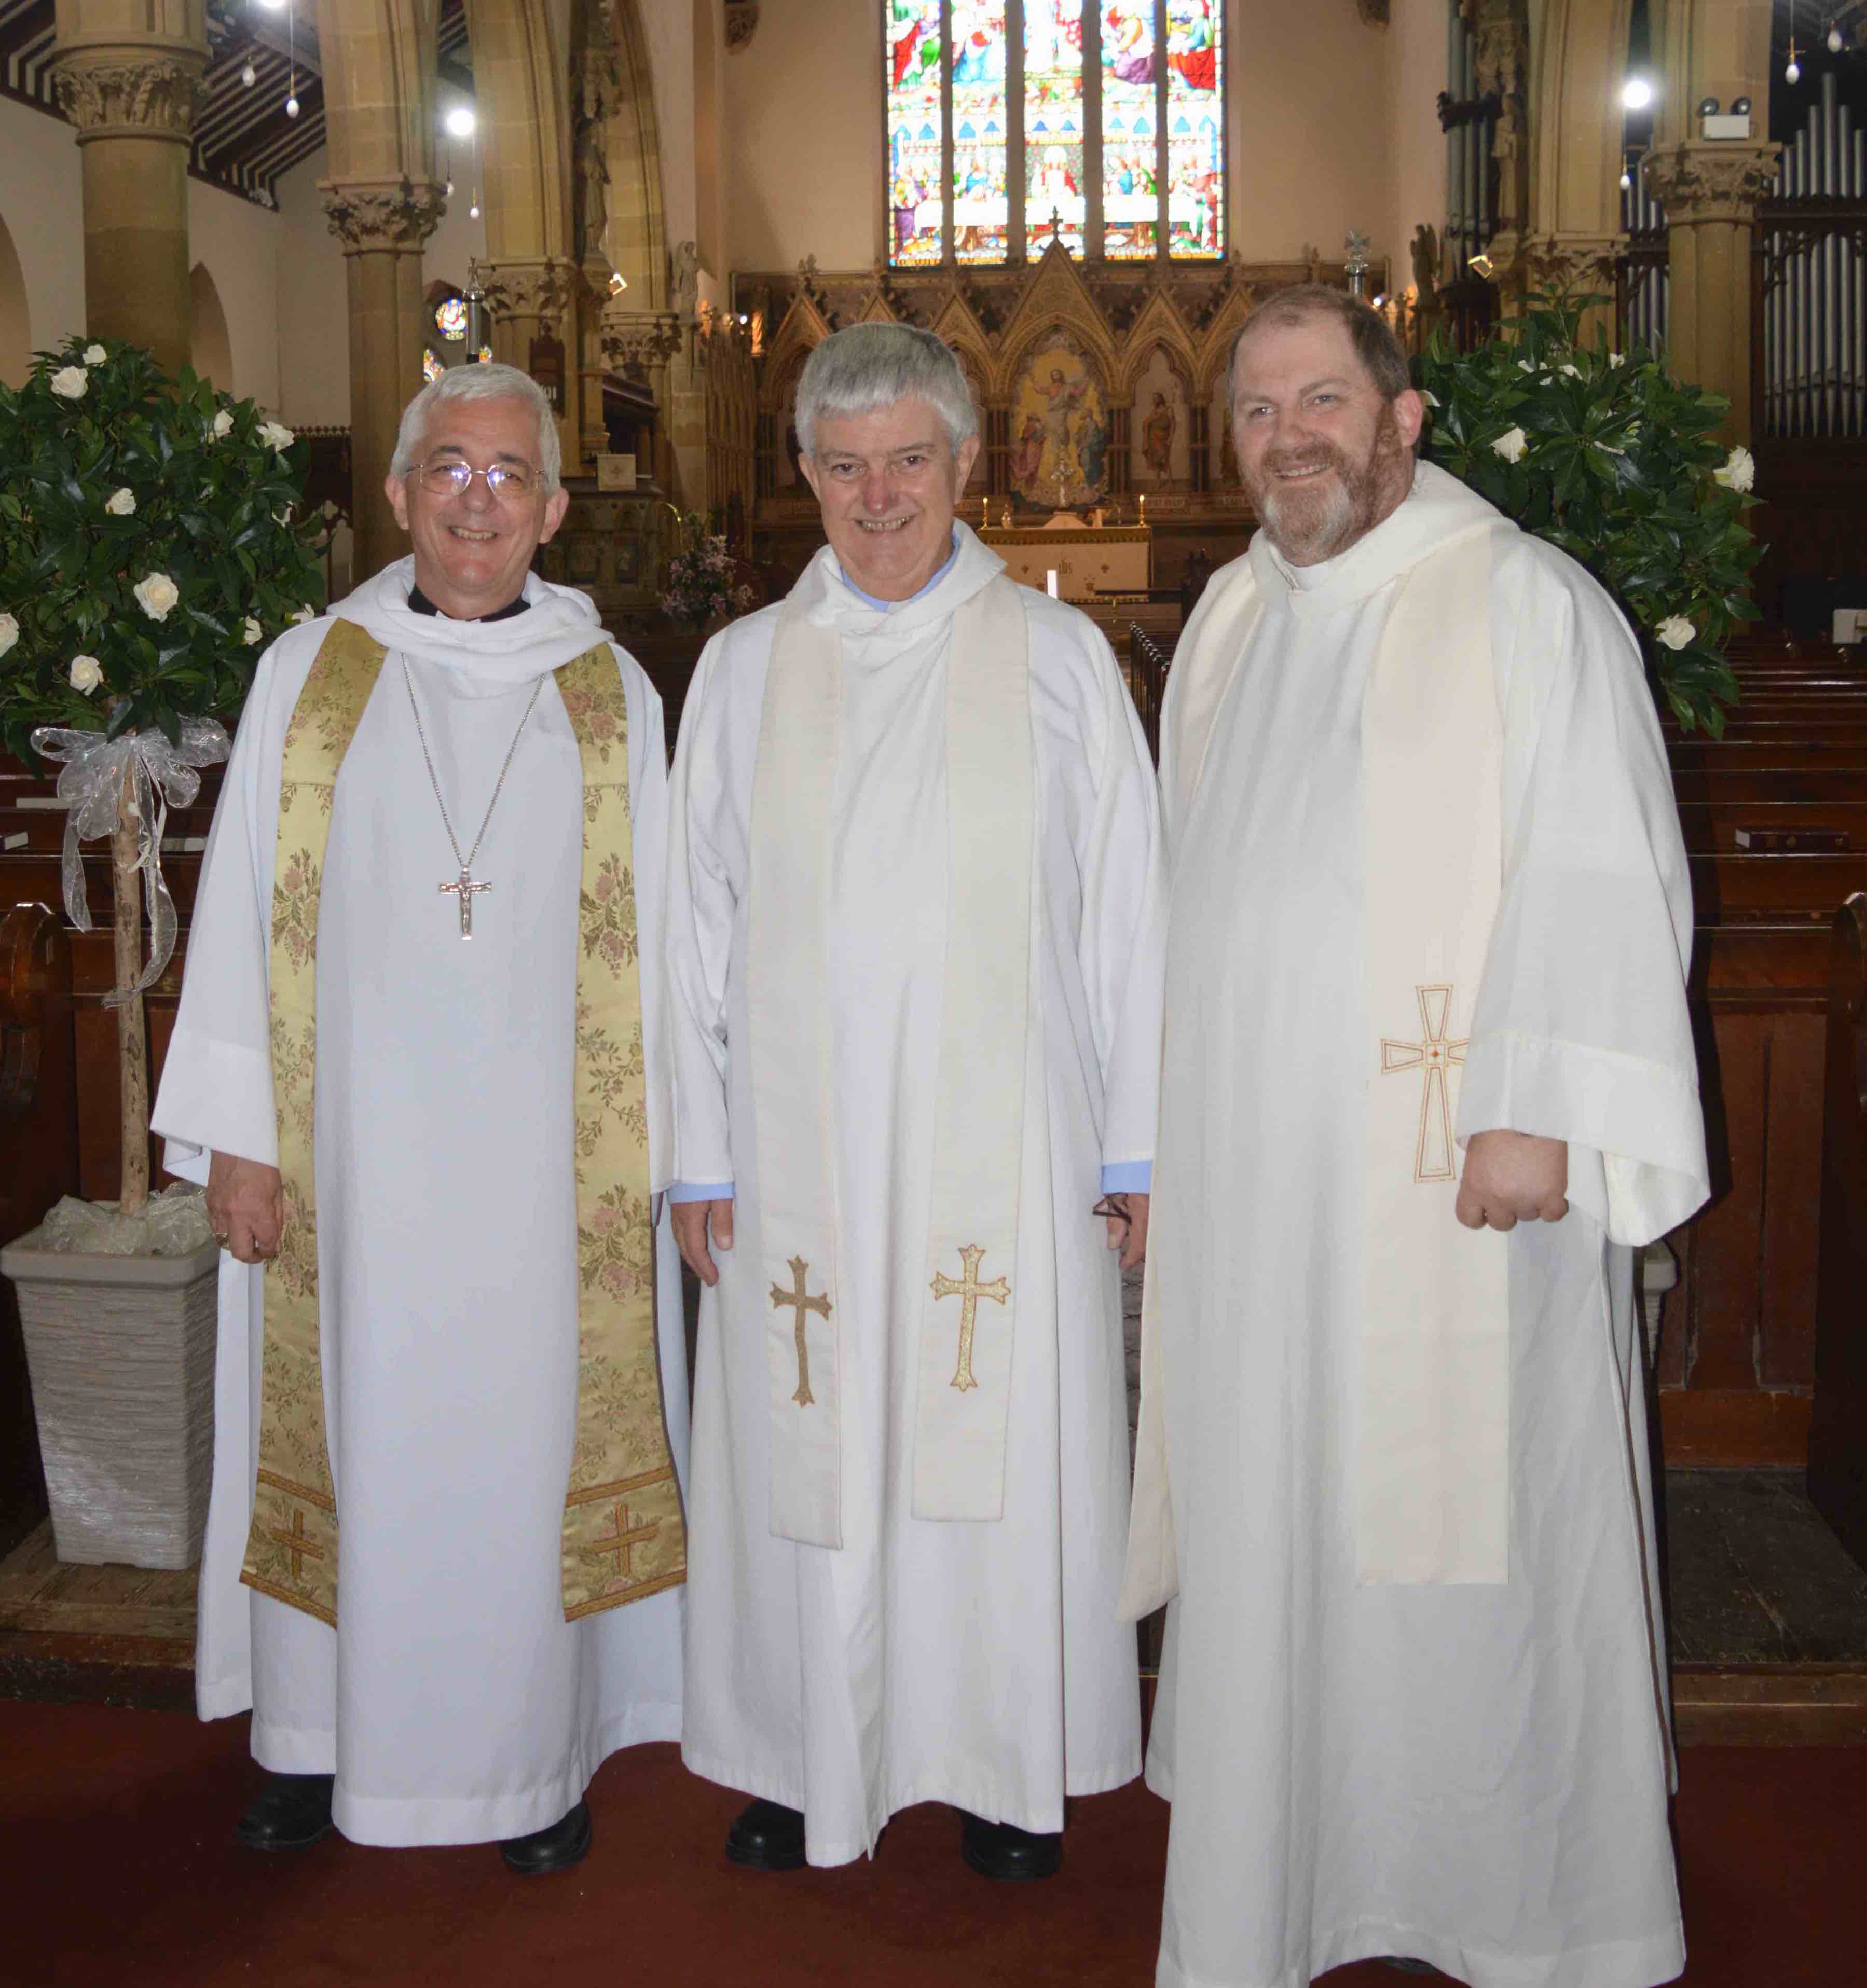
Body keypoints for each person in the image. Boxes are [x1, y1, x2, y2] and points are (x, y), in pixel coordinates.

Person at [1124, 287, 1709, 1987]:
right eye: (1256, 409)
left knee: (1464, 1528)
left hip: (1451, 1186)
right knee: (1283, 1508)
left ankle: (1505, 1895)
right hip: (1260, 1190)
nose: (1287, 434)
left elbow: (1600, 861)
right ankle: (1283, 1872)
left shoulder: (1523, 600)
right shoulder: (1233, 618)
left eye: (1322, 399)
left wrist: (1532, 1107)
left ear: (1405, 417)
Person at [152, 362, 687, 1872]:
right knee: (344, 1431)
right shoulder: (310, 673)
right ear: (395, 496)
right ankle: (317, 1745)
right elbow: (243, 912)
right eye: (447, 466)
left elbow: (669, 941)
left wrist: (669, 1155)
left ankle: (539, 1760)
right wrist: (238, 1137)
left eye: (510, 475)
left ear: (556, 511)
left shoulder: (614, 693)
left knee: (519, 1462)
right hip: (349, 1176)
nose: (476, 498)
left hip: (543, 1187)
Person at [666, 323, 1166, 1879]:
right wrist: (696, 1158)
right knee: (809, 1449)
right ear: (805, 475)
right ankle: (800, 1751)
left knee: (992, 1451)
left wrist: (1138, 1145)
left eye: (909, 460)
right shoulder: (747, 670)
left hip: (1012, 1153)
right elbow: (691, 923)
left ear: (966, 469)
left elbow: (1131, 912)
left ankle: (1003, 1766)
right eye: (846, 464)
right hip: (793, 1154)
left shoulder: (1063, 657)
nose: (878, 495)